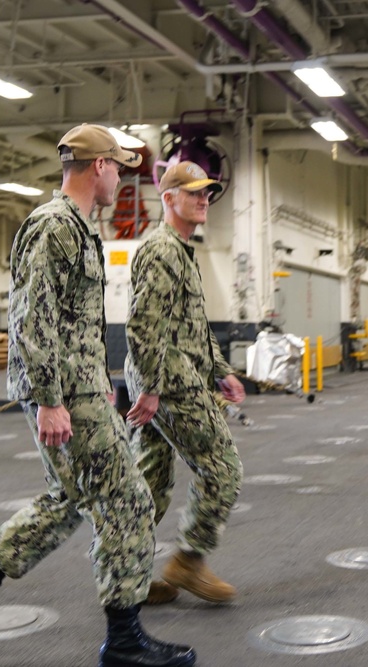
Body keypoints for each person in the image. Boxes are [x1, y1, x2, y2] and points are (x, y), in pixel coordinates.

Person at [0, 124, 195, 667]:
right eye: (117, 166)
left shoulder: (77, 226)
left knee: (70, 500)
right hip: (67, 392)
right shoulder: (53, 226)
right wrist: (48, 399)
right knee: (128, 500)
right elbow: (30, 317)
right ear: (97, 167)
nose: (120, 176)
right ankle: (123, 640)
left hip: (82, 388)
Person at [124, 161, 245, 605]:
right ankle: (188, 562)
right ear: (168, 198)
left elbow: (190, 324)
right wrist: (153, 388)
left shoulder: (180, 250)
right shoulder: (161, 250)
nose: (203, 198)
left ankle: (126, 579)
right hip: (169, 381)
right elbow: (142, 327)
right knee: (222, 468)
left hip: (174, 375)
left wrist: (221, 371)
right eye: (193, 192)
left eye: (206, 192)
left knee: (149, 485)